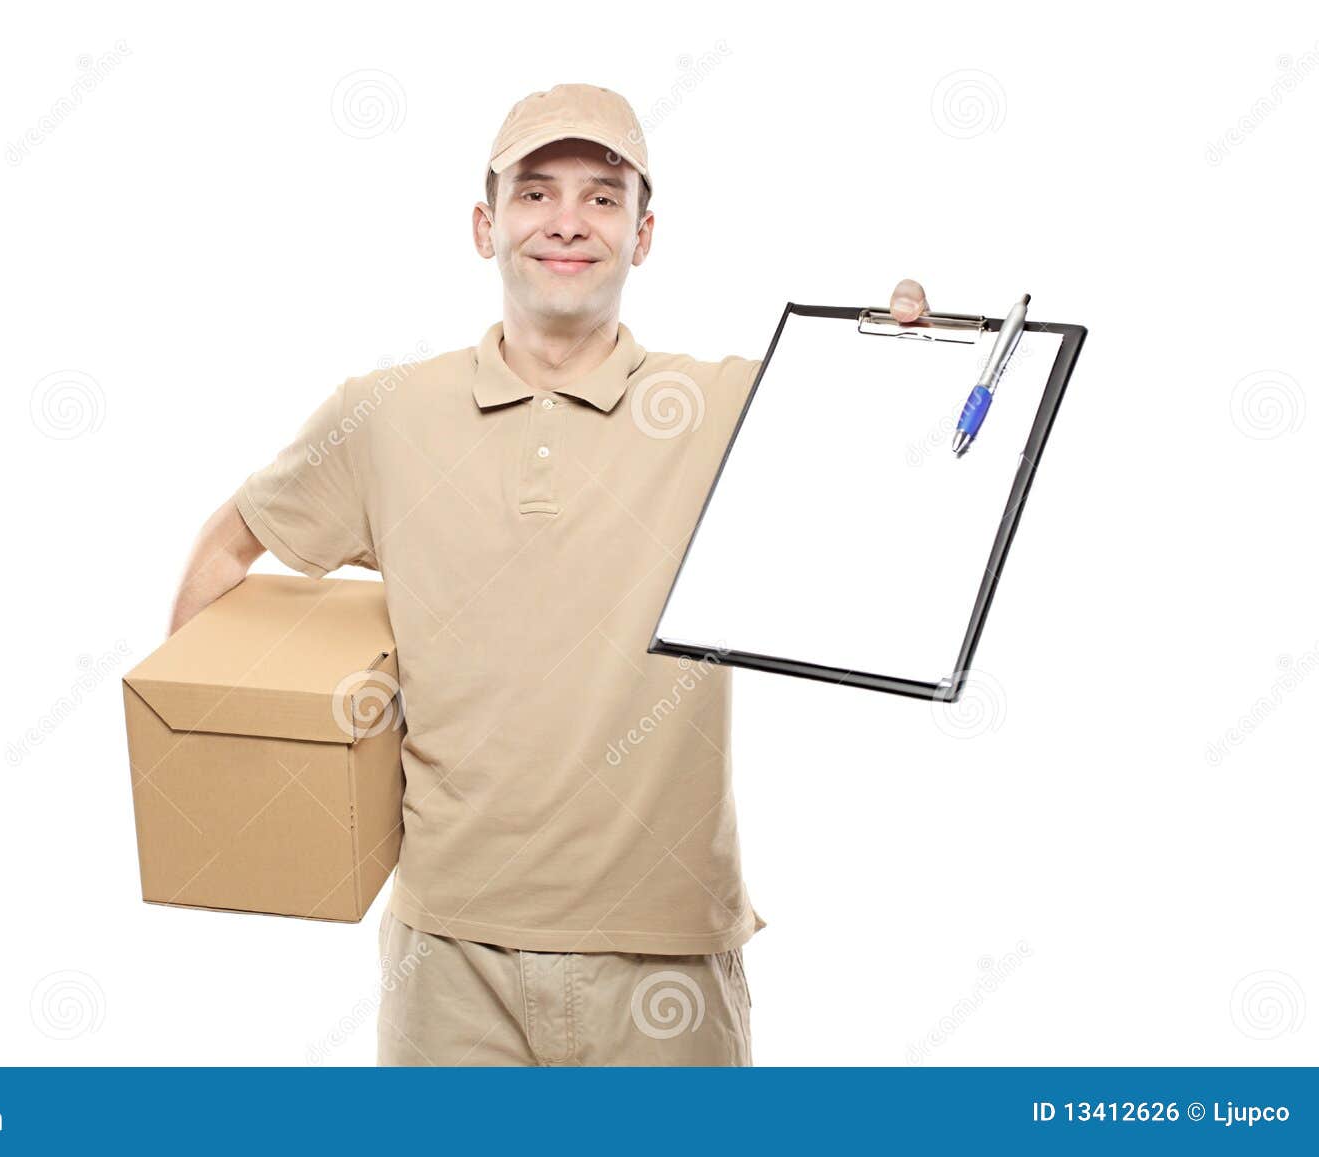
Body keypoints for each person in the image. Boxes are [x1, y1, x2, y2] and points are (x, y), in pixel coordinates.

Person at [168, 83, 932, 1066]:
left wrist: (906, 352)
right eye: (534, 193)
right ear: (484, 224)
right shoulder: (385, 414)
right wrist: (214, 783)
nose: (566, 221)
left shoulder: (727, 405)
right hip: (447, 956)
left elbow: (907, 454)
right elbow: (227, 549)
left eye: (602, 197)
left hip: (665, 958)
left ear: (644, 234)